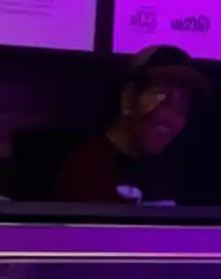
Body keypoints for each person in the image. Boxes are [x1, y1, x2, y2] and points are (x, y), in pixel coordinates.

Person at [53, 46, 209, 205]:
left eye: (181, 109)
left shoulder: (170, 175)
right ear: (128, 97)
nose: (171, 118)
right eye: (161, 98)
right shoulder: (88, 168)